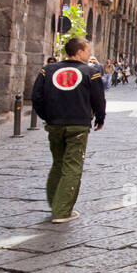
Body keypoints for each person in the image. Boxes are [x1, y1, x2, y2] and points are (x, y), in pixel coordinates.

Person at [31, 37, 106, 224]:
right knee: (72, 166)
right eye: (87, 50)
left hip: (54, 124)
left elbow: (36, 97)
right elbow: (98, 99)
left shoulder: (47, 70)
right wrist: (100, 118)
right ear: (79, 52)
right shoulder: (91, 72)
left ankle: (55, 203)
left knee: (57, 163)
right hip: (78, 125)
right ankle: (62, 212)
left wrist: (47, 116)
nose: (90, 54)